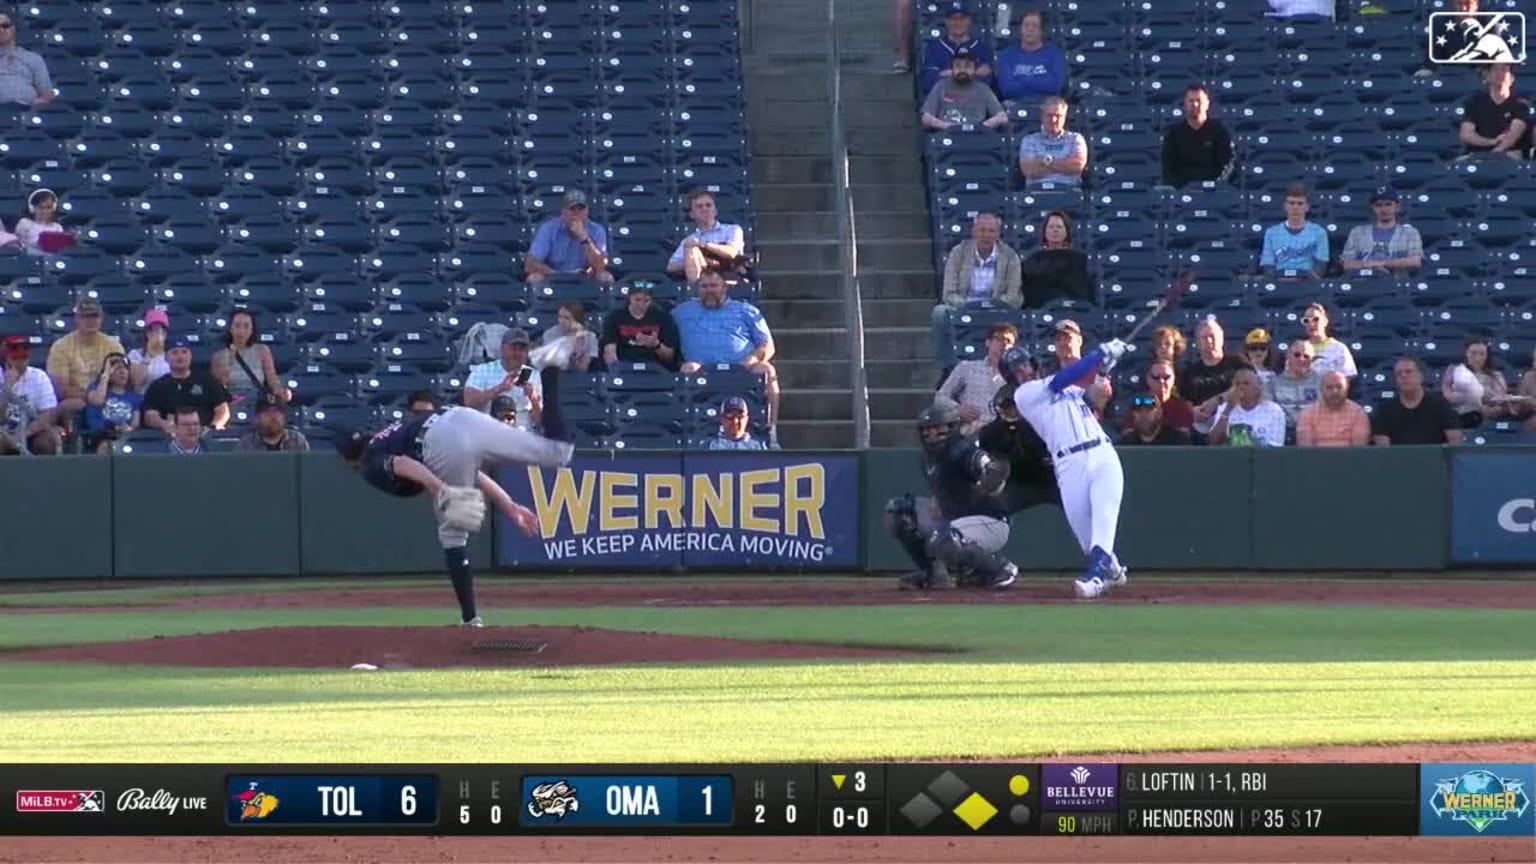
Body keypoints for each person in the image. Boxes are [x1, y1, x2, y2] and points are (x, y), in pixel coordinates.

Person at [336, 406, 575, 627]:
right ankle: (550, 373)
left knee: (452, 534)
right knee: (555, 453)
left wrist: (443, 491)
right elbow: (466, 467)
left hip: (438, 439)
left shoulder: (369, 462)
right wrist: (509, 505)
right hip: (460, 414)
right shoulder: (388, 437)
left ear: (348, 462)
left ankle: (470, 619)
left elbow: (402, 463)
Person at [1001, 339, 1130, 599]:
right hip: (1069, 464)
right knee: (1086, 538)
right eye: (1017, 369)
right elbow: (1066, 377)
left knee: (1104, 519)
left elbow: (1089, 387)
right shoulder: (1024, 395)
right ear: (1012, 377)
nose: (1024, 370)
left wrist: (1104, 367)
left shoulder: (1060, 384)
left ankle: (1095, 577)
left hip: (1102, 454)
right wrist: (1098, 354)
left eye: (1026, 364)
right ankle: (1113, 572)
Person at [886, 403, 1018, 591]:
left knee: (942, 538)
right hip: (954, 520)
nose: (932, 435)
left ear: (951, 428)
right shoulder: (927, 459)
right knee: (898, 510)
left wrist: (989, 479)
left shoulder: (961, 449)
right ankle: (933, 573)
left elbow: (990, 466)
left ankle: (1000, 568)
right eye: (928, 430)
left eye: (938, 429)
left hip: (989, 520)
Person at [978, 380, 1062, 515]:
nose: (1007, 410)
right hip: (1013, 486)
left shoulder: (1041, 426)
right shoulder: (989, 432)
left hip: (1046, 483)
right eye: (1003, 406)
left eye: (1010, 405)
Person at [210, 308, 287, 406]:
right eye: (237, 326)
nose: (241, 330)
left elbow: (272, 379)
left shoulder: (262, 350)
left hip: (256, 400)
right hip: (232, 400)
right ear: (230, 328)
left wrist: (280, 391)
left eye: (246, 326)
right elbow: (218, 387)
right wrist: (230, 361)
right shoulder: (218, 356)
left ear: (252, 330)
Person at [919, 49, 1007, 131]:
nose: (962, 70)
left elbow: (1002, 117)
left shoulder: (983, 89)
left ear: (974, 69)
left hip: (977, 135)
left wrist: (983, 126)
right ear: (952, 69)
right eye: (957, 66)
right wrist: (945, 125)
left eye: (967, 66)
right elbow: (926, 118)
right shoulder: (941, 86)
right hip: (947, 135)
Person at [1020, 211, 1095, 307]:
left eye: (1059, 227)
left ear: (1067, 231)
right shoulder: (1033, 260)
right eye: (1051, 227)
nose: (1055, 230)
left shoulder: (1080, 259)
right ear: (1044, 231)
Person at [82, 352, 141, 454]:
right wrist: (105, 376)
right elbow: (98, 401)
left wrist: (128, 428)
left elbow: (135, 423)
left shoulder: (133, 396)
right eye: (117, 368)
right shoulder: (95, 388)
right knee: (106, 446)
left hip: (125, 436)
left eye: (125, 368)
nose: (122, 372)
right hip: (100, 436)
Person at [13, 188, 75, 254]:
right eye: (41, 208)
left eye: (48, 207)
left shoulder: (57, 227)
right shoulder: (24, 223)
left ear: (54, 208)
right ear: (32, 208)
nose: (44, 211)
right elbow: (18, 245)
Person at [700, 396, 767, 451]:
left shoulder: (758, 447)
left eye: (740, 417)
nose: (735, 421)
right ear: (721, 419)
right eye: (730, 416)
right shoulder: (709, 446)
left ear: (747, 419)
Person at [128, 308, 171, 392]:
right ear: (146, 333)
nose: (158, 335)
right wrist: (148, 357)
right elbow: (136, 383)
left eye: (162, 330)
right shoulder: (135, 354)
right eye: (154, 330)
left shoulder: (171, 354)